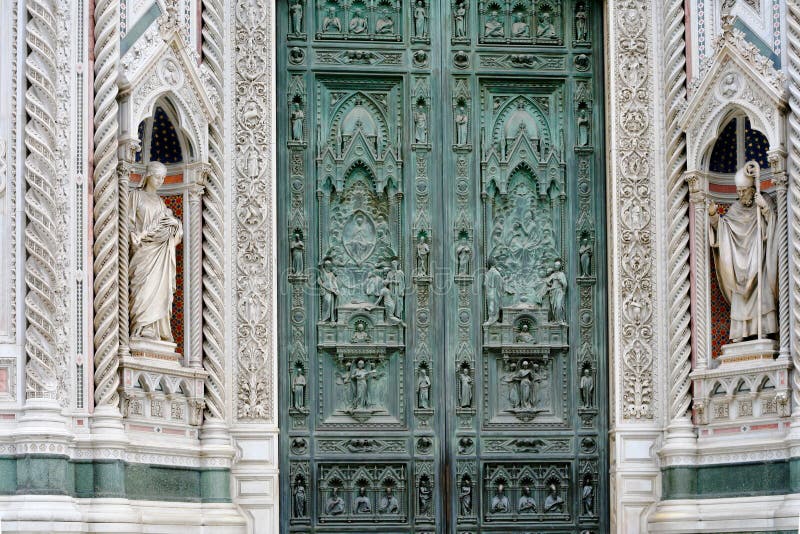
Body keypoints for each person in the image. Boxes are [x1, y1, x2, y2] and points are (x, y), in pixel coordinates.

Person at [709, 162, 778, 341]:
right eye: (738, 191)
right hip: (740, 267)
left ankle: (765, 330)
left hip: (759, 262)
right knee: (740, 292)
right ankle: (741, 332)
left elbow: (775, 227)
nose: (740, 195)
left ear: (751, 188)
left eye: (743, 191)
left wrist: (764, 208)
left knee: (763, 289)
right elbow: (723, 229)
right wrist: (713, 216)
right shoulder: (735, 209)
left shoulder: (763, 201)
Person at [129, 161, 183, 342]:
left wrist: (176, 226)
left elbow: (172, 230)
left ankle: (155, 329)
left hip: (160, 253)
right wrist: (134, 237)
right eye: (157, 177)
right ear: (148, 176)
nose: (160, 181)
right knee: (142, 290)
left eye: (163, 178)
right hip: (142, 253)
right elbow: (127, 223)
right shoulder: (135, 196)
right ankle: (141, 326)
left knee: (160, 289)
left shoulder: (161, 202)